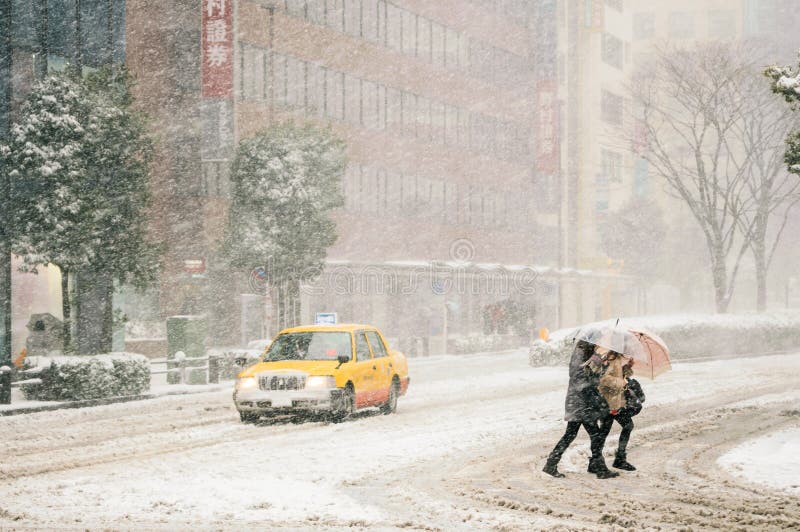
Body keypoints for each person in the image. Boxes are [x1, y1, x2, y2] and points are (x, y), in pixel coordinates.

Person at [543, 338, 619, 479]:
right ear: (590, 342)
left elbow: (586, 376)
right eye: (596, 342)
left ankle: (551, 464)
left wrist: (600, 366)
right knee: (595, 435)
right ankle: (599, 467)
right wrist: (596, 369)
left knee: (571, 434)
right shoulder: (582, 355)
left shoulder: (583, 354)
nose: (598, 345)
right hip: (582, 403)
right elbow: (581, 379)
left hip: (578, 402)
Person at [599, 360, 646, 471]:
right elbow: (606, 380)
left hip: (614, 402)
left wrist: (627, 367)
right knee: (605, 431)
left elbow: (617, 375)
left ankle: (613, 459)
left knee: (620, 427)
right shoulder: (609, 357)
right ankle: (602, 460)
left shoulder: (614, 357)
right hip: (609, 403)